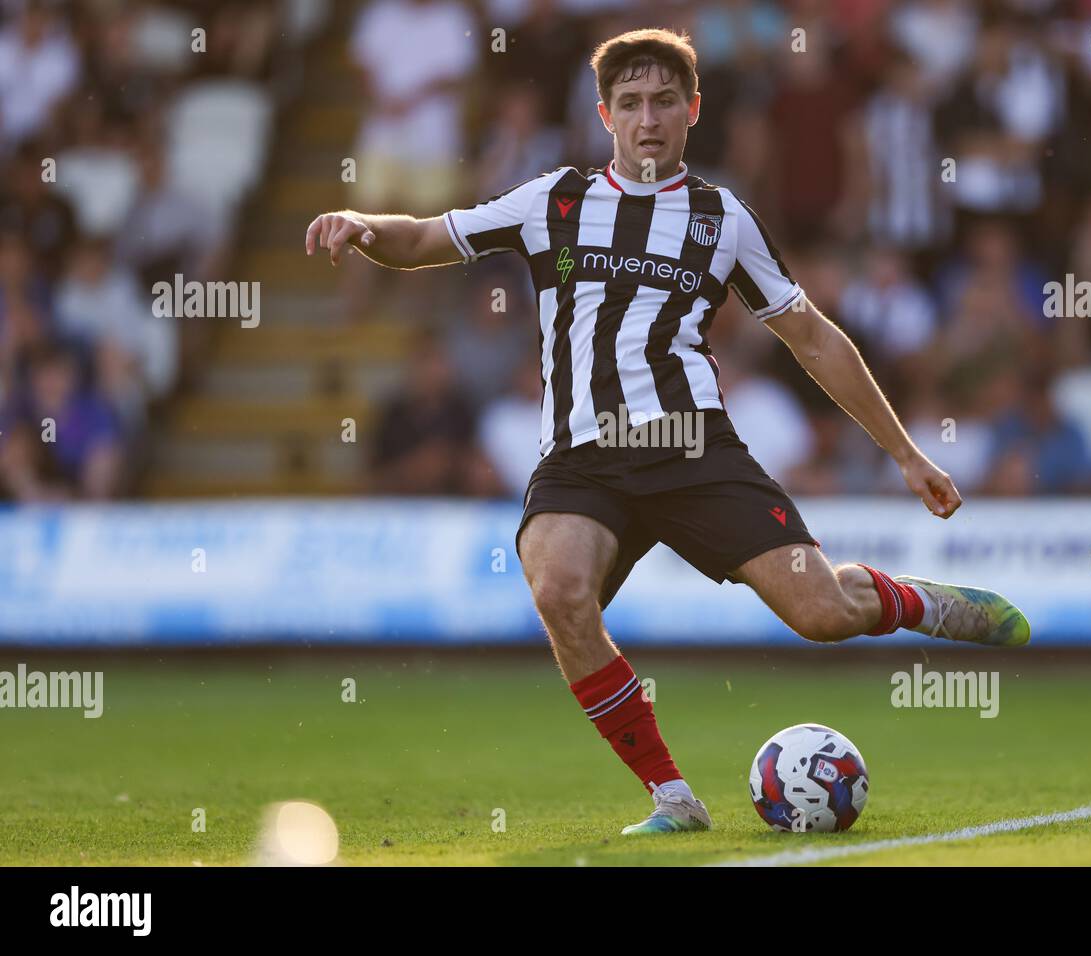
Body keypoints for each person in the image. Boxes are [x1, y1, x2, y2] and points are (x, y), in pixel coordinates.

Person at [305, 28, 1030, 836]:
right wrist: (363, 221)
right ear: (605, 115)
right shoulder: (555, 201)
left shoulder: (723, 220)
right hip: (583, 457)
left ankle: (918, 603)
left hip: (692, 447)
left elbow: (815, 336)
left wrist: (905, 452)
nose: (646, 119)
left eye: (661, 102)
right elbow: (427, 238)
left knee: (822, 613)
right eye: (629, 104)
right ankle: (671, 797)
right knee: (558, 588)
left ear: (691, 111)